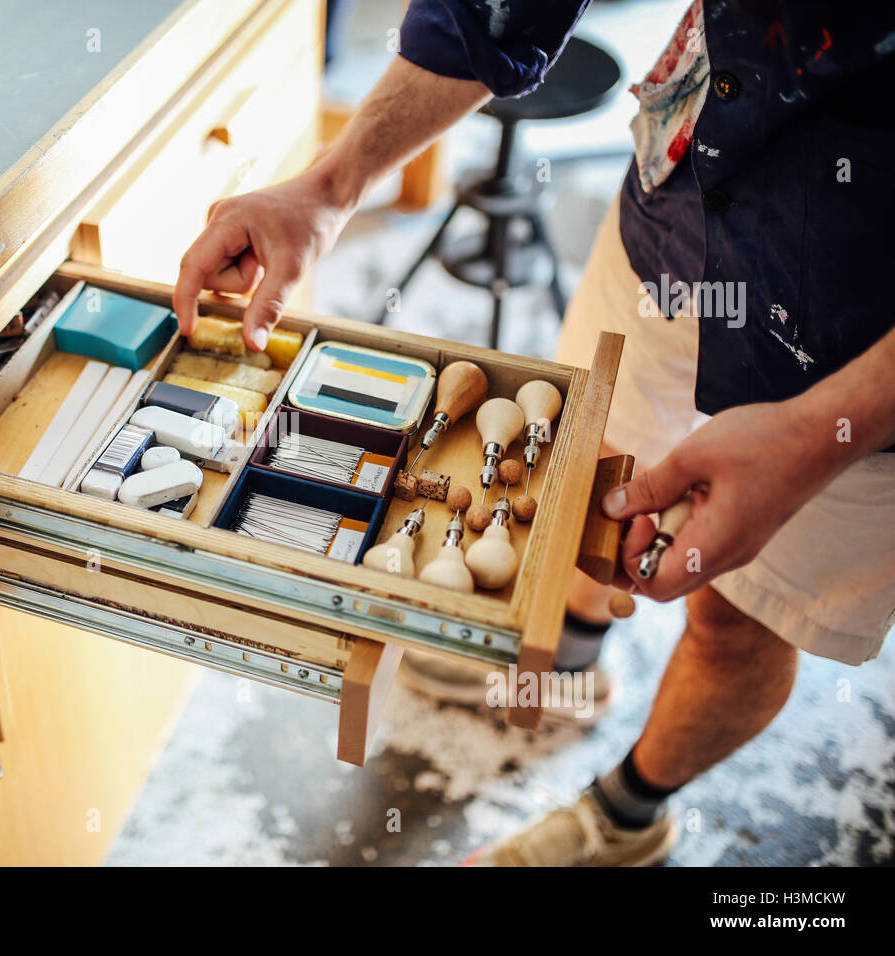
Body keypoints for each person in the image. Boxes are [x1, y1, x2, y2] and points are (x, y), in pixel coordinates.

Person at [173, 0, 895, 866]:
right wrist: (330, 186)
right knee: (583, 487)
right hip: (684, 205)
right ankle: (565, 670)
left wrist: (817, 437)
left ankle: (628, 815)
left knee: (738, 619)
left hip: (863, 348)